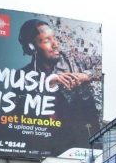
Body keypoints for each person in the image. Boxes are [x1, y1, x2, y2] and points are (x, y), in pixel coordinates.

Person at [17, 18, 101, 148]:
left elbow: (103, 66)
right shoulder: (23, 76)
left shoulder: (73, 59)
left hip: (83, 140)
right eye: (47, 40)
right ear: (31, 47)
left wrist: (86, 76)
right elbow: (18, 115)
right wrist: (48, 83)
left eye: (54, 38)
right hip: (46, 144)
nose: (55, 44)